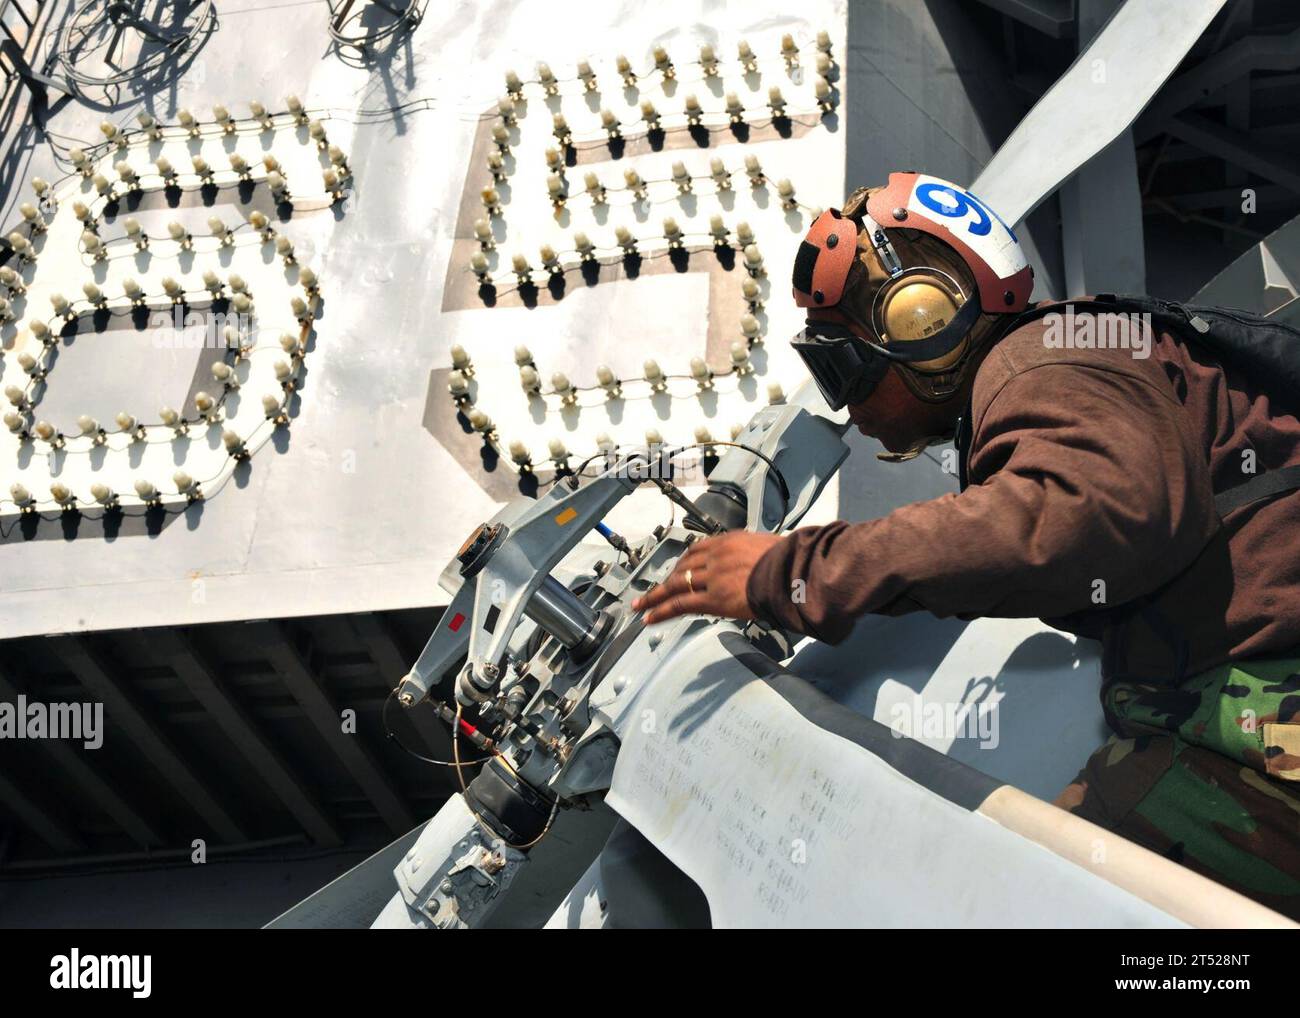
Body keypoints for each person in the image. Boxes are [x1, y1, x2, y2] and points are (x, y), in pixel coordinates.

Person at [631, 172, 1300, 919]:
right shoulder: (1077, 352)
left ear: (925, 325)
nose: (846, 406)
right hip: (1239, 706)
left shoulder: (1038, 363)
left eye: (841, 367)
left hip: (1270, 707)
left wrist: (795, 572)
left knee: (1044, 896)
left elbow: (1087, 510)